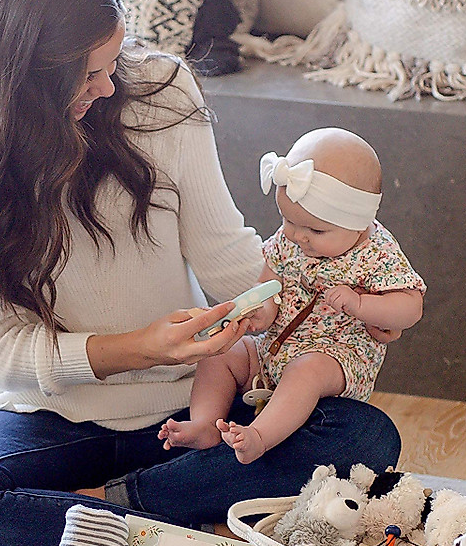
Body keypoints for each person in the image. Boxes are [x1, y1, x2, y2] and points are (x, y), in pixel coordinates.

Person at [0, 0, 402, 546]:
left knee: (364, 437)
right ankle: (188, 518)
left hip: (189, 409)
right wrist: (142, 346)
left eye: (112, 63)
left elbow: (230, 262)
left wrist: (340, 301)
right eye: (88, 74)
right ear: (26, 73)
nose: (110, 87)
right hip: (47, 417)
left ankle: (107, 517)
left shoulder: (162, 92)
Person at [160, 128, 425, 464]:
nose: (298, 236)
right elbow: (270, 281)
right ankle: (205, 424)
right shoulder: (293, 240)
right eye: (288, 220)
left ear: (358, 222)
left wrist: (362, 305)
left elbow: (410, 307)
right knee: (221, 353)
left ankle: (259, 437)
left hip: (335, 358)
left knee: (306, 372)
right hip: (273, 350)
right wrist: (264, 309)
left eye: (315, 230)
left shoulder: (377, 253)